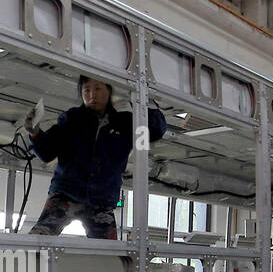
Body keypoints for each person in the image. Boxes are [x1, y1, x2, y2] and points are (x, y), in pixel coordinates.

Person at [24, 76, 167, 239]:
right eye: (86, 90)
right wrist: (34, 132)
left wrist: (143, 102)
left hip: (102, 199)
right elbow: (47, 152)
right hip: (67, 192)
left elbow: (156, 130)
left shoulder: (124, 122)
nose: (92, 95)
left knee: (109, 255)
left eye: (98, 89)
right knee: (37, 240)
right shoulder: (72, 119)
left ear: (109, 91)